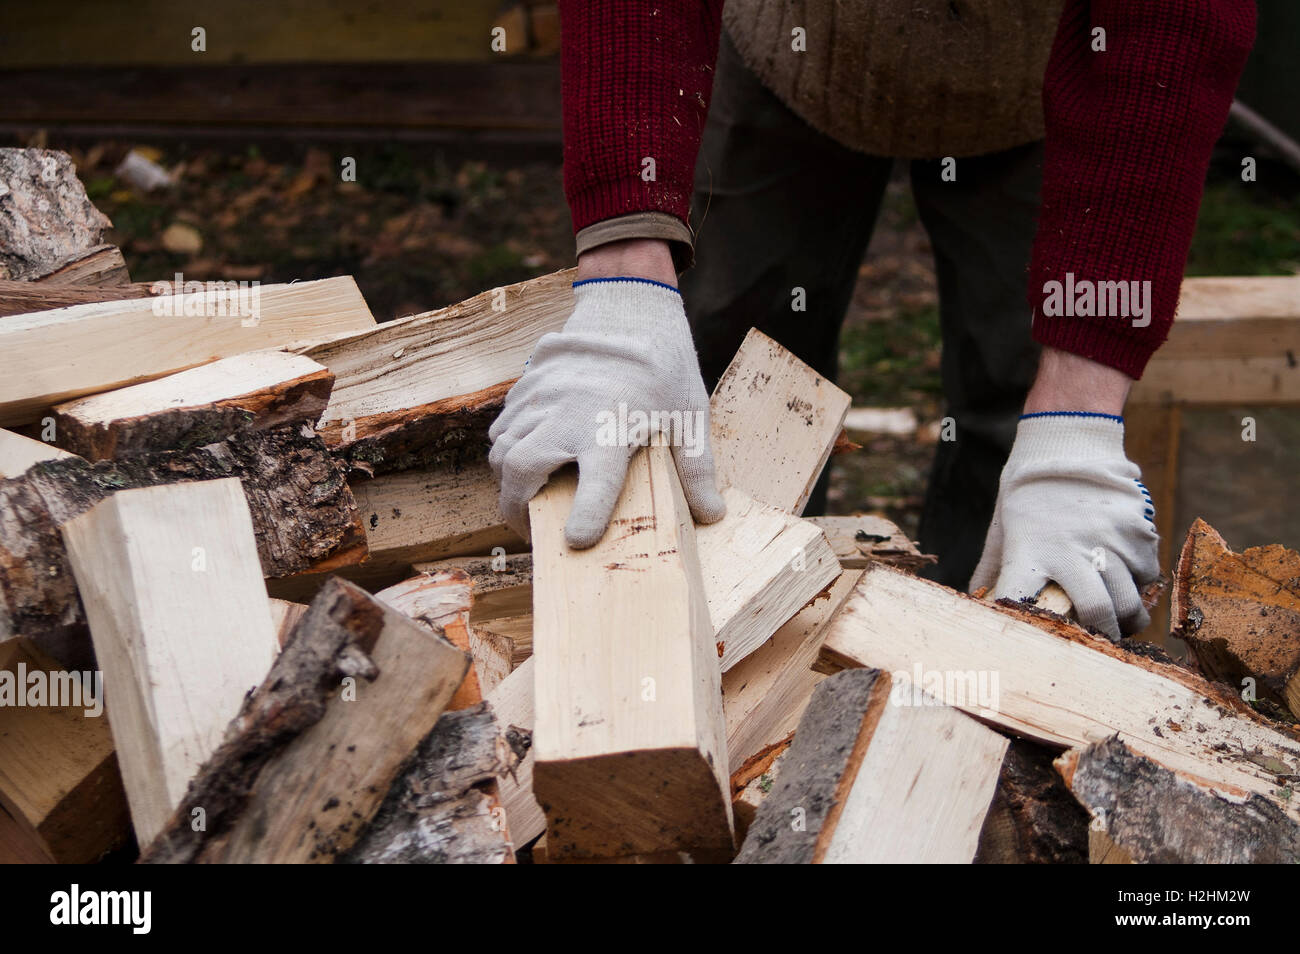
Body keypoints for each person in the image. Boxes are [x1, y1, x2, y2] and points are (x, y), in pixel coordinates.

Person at [488, 0, 1257, 639]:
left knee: (1012, 398)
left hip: (1033, 81)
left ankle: (977, 676)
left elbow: (1173, 22)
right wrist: (625, 284)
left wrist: (1077, 424)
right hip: (787, 51)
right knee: (722, 371)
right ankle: (721, 646)